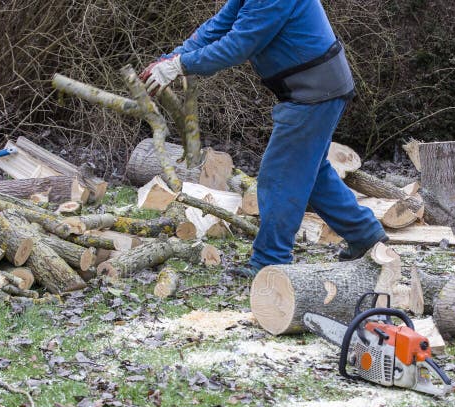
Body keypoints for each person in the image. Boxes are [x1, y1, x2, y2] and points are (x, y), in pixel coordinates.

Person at [141, 0, 387, 278]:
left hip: (314, 92)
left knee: (279, 176)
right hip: (314, 88)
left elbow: (238, 45)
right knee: (311, 173)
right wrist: (172, 59)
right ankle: (366, 235)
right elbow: (218, 27)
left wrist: (180, 65)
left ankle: (270, 262)